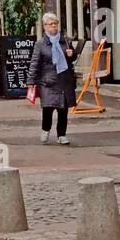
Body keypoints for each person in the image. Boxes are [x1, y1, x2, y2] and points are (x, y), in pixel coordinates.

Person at [26, 12, 79, 144]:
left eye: (54, 24)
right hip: (47, 81)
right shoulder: (40, 44)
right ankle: (45, 130)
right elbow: (34, 63)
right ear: (45, 27)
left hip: (63, 79)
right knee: (48, 108)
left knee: (63, 109)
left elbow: (72, 59)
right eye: (49, 24)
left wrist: (72, 54)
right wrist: (31, 80)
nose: (53, 27)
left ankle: (62, 135)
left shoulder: (66, 40)